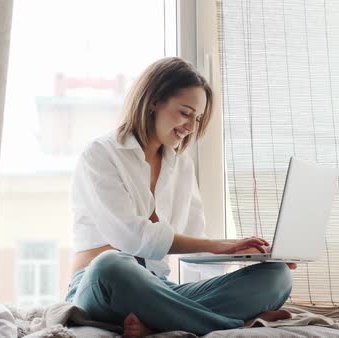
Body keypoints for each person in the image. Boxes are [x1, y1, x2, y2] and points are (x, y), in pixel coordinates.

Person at [65, 57, 295, 338]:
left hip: (158, 290)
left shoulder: (181, 165)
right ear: (153, 101)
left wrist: (247, 256)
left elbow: (196, 245)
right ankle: (236, 324)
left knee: (277, 276)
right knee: (113, 262)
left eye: (197, 118)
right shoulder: (101, 154)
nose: (192, 126)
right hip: (101, 287)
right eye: (185, 113)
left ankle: (160, 322)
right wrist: (219, 245)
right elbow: (130, 238)